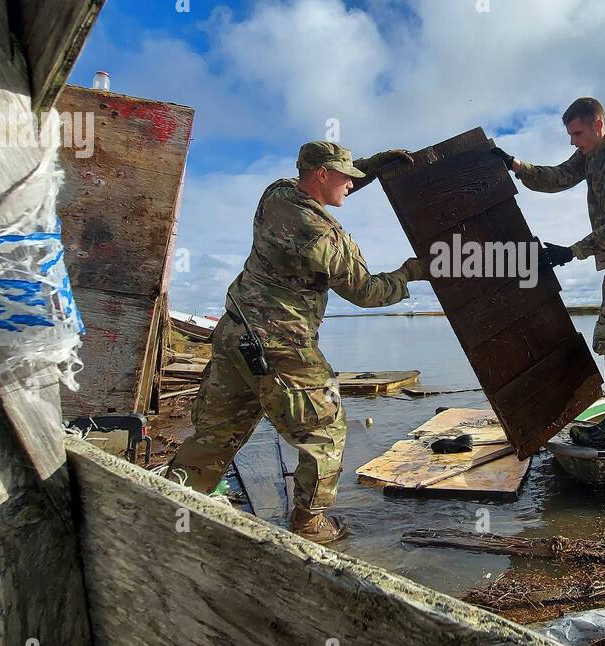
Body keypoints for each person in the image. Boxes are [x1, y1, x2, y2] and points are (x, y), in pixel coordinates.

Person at [164, 141, 427, 543]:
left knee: (215, 434)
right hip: (279, 344)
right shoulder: (321, 235)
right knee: (325, 431)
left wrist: (371, 166)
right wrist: (412, 272)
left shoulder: (277, 194)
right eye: (346, 178)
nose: (352, 186)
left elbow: (336, 181)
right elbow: (368, 292)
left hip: (236, 333)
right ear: (322, 174)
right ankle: (310, 524)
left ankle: (169, 507)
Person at [493, 97, 605, 450]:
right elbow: (560, 177)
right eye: (570, 135)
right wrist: (515, 165)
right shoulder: (592, 155)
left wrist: (570, 252)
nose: (573, 141)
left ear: (598, 124)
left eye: (577, 133)